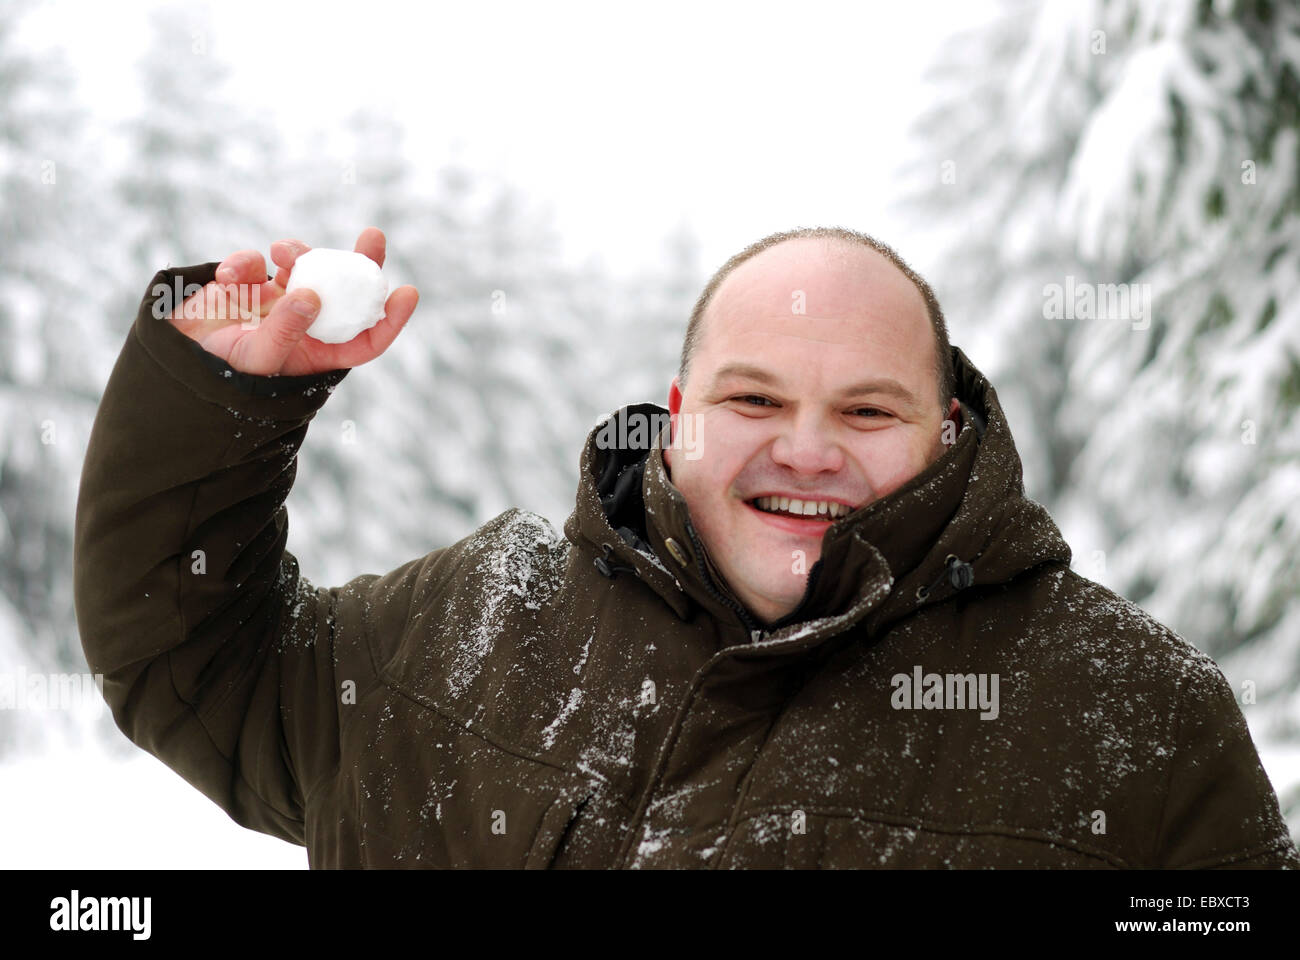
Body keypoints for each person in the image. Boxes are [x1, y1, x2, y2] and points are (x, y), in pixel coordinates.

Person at [75, 225, 1298, 868]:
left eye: (867, 412)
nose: (806, 451)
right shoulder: (465, 626)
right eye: (754, 401)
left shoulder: (1133, 718)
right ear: (678, 412)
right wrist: (219, 408)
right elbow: (193, 659)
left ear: (948, 430)